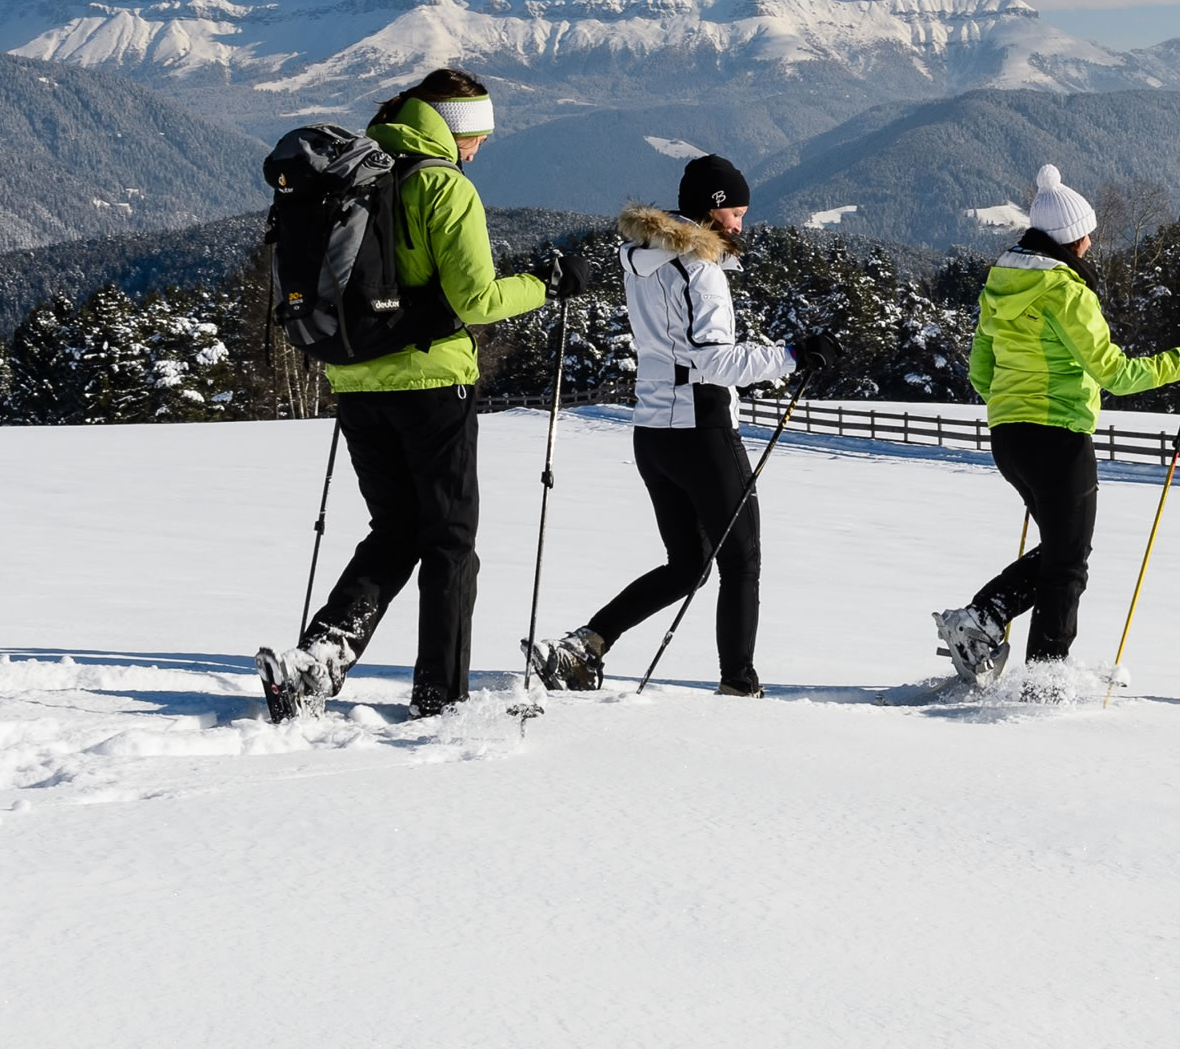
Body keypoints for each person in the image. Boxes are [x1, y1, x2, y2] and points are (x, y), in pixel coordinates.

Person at [262, 68, 581, 718]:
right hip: (433, 386)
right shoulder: (443, 187)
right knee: (449, 543)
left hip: (355, 385)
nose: (480, 150)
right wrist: (547, 285)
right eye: (479, 137)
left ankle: (319, 660)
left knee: (395, 530)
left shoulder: (358, 177)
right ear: (458, 130)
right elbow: (477, 300)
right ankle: (441, 695)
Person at [527, 155, 837, 697]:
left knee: (688, 563)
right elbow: (713, 362)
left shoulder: (645, 257)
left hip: (652, 430)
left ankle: (585, 646)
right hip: (702, 428)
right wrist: (791, 354)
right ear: (712, 210)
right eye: (736, 213)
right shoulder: (701, 270)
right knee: (741, 561)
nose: (740, 225)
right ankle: (738, 684)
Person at [933, 165, 1180, 689]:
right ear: (1070, 238)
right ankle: (1046, 676)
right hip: (1059, 439)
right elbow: (1116, 374)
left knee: (1063, 551)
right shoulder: (1066, 292)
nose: (1092, 241)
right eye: (1087, 232)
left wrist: (1018, 401)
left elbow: (980, 371)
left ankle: (984, 620)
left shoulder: (1000, 283)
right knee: (1069, 563)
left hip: (1009, 437)